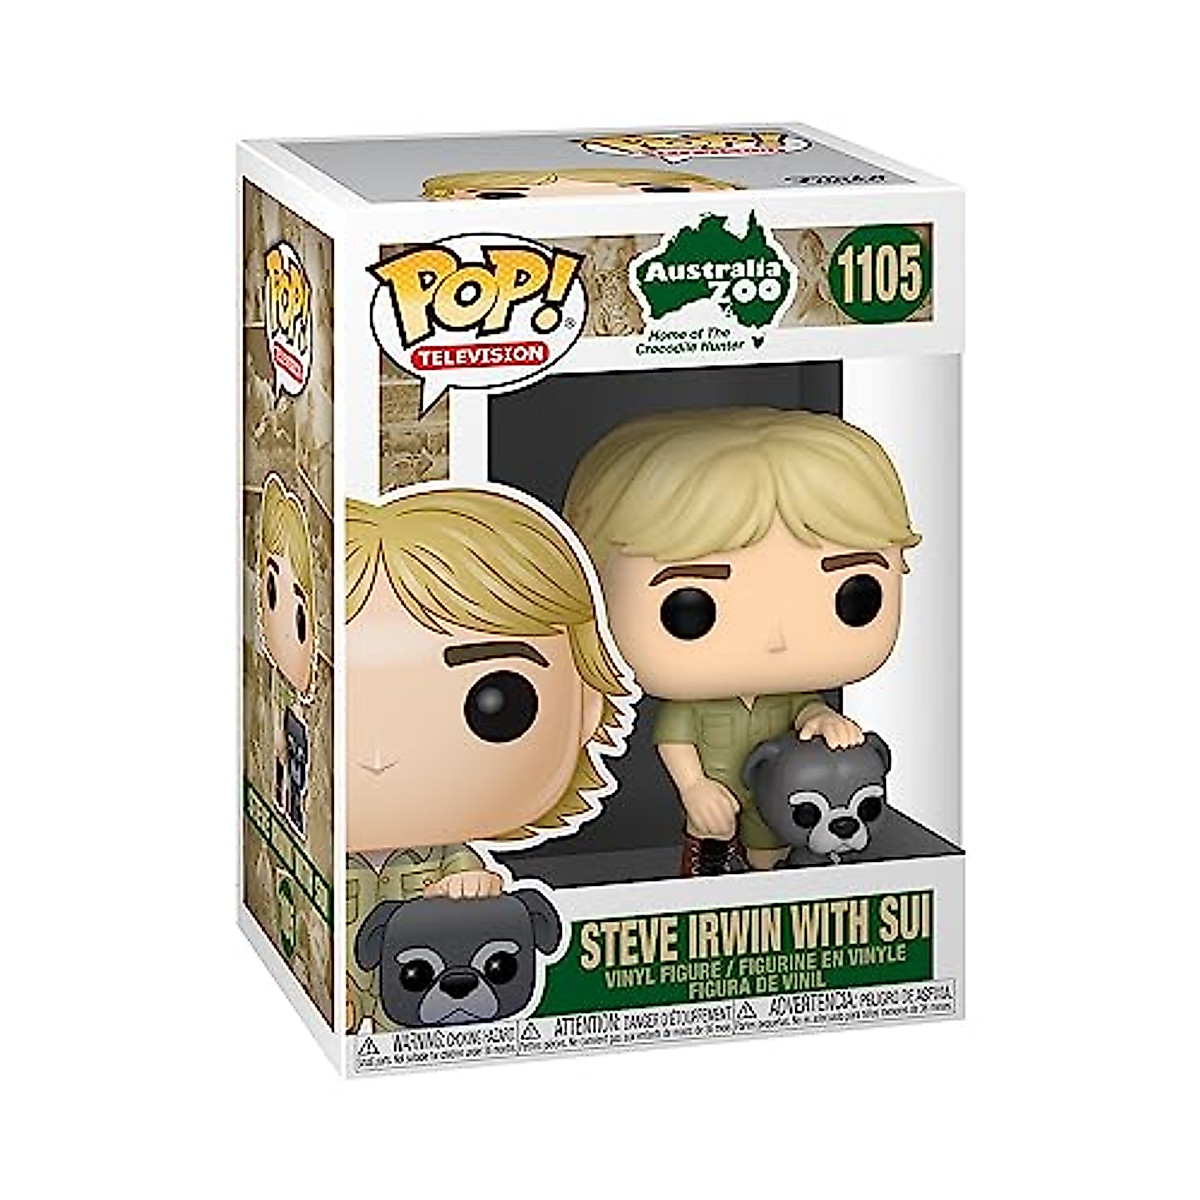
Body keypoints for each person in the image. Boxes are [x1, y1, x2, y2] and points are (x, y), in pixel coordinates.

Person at [565, 407, 919, 876]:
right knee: (709, 848)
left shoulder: (789, 693)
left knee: (769, 854)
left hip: (782, 794)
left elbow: (805, 711)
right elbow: (673, 742)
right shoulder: (690, 707)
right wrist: (694, 787)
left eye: (855, 597)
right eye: (689, 610)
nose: (776, 640)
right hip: (715, 798)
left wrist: (824, 719)